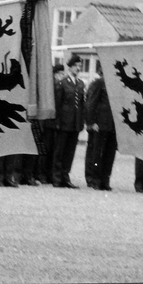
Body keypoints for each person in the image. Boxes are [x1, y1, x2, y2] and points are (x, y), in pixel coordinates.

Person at [51, 56, 86, 188]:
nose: (78, 68)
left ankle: (65, 176)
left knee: (70, 152)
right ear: (70, 67)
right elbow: (58, 104)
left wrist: (81, 121)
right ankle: (56, 177)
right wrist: (57, 122)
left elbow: (82, 104)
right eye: (76, 66)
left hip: (75, 123)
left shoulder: (80, 84)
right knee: (60, 151)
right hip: (64, 122)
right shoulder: (63, 83)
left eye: (79, 66)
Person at [83, 69, 116, 191]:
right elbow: (91, 102)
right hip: (100, 124)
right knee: (97, 153)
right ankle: (95, 180)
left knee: (109, 154)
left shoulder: (116, 83)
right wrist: (91, 122)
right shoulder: (99, 83)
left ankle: (105, 180)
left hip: (112, 125)